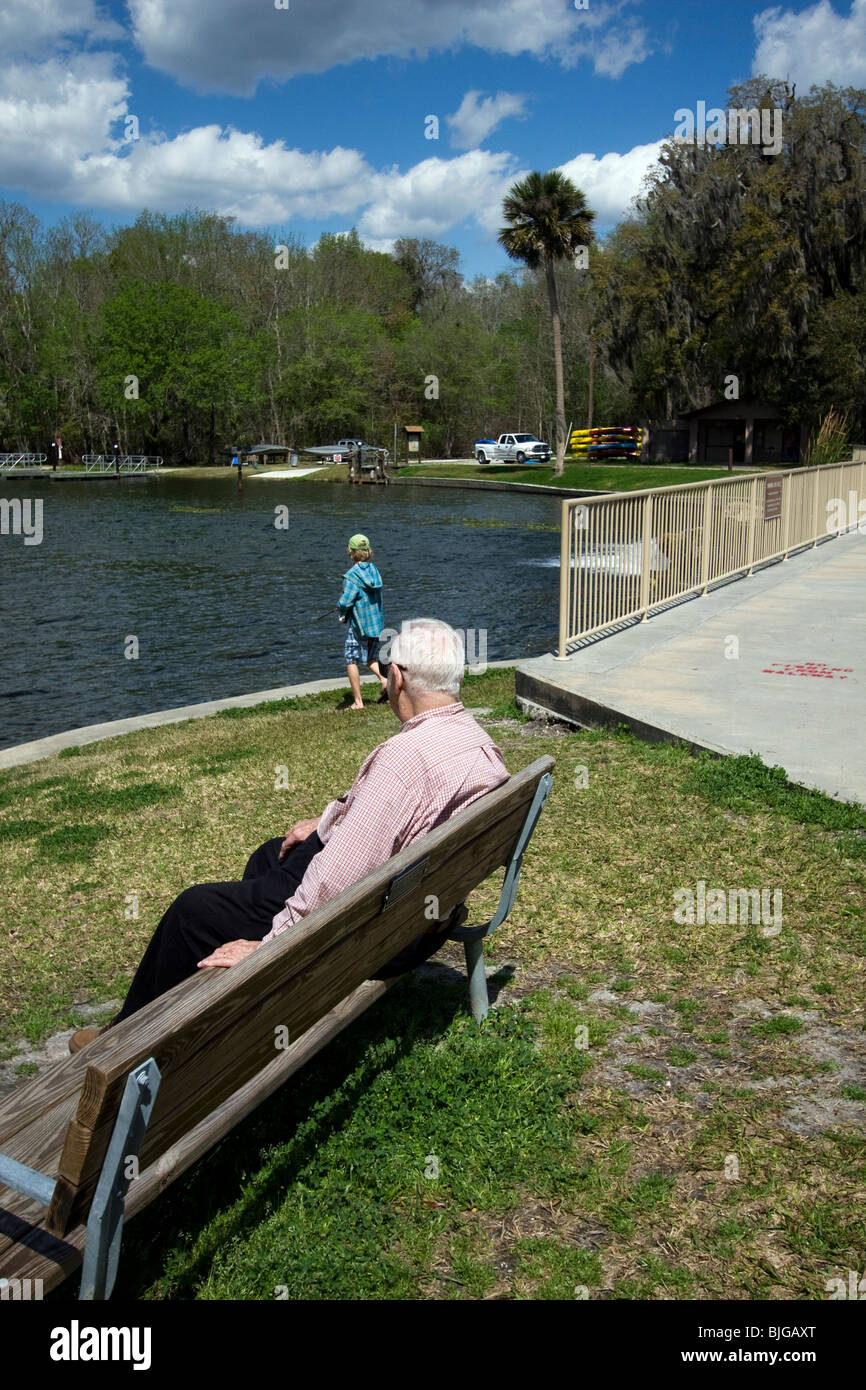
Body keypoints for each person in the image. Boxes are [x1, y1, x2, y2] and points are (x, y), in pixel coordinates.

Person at [68, 619, 508, 1052]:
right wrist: (327, 822)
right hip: (422, 913)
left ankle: (122, 1039)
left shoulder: (404, 758)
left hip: (378, 932)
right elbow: (401, 816)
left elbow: (335, 881)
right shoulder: (478, 744)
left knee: (193, 911)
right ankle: (229, 1001)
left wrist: (271, 948)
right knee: (269, 855)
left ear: (396, 678)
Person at [339, 533, 387, 709]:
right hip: (375, 625)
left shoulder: (351, 577)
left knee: (351, 660)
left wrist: (340, 609)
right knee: (370, 658)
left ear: (350, 551)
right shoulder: (375, 572)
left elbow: (345, 602)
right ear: (369, 552)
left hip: (358, 626)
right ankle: (385, 680)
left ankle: (358, 702)